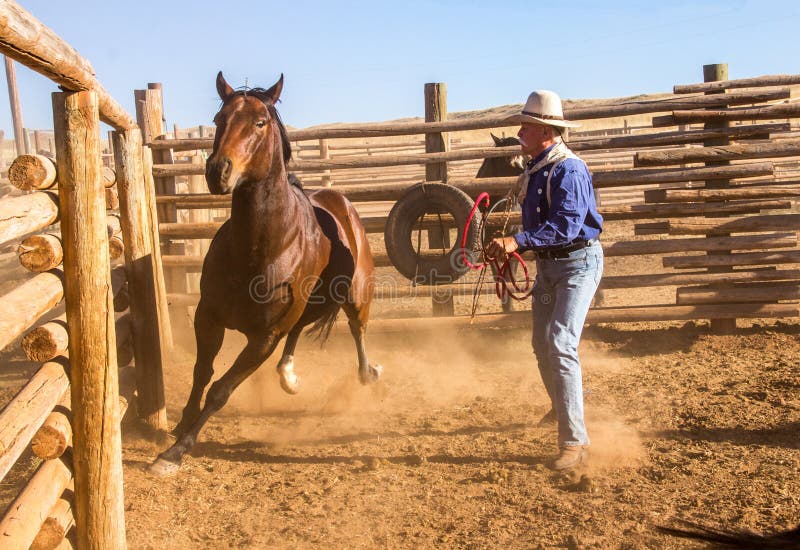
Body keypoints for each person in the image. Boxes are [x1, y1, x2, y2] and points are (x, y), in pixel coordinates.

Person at [486, 90, 603, 471]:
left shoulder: (569, 170)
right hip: (552, 267)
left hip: (577, 264)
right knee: (542, 342)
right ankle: (562, 406)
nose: (520, 130)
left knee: (560, 342)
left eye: (527, 125)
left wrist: (516, 240)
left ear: (545, 131)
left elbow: (567, 226)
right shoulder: (537, 168)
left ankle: (575, 441)